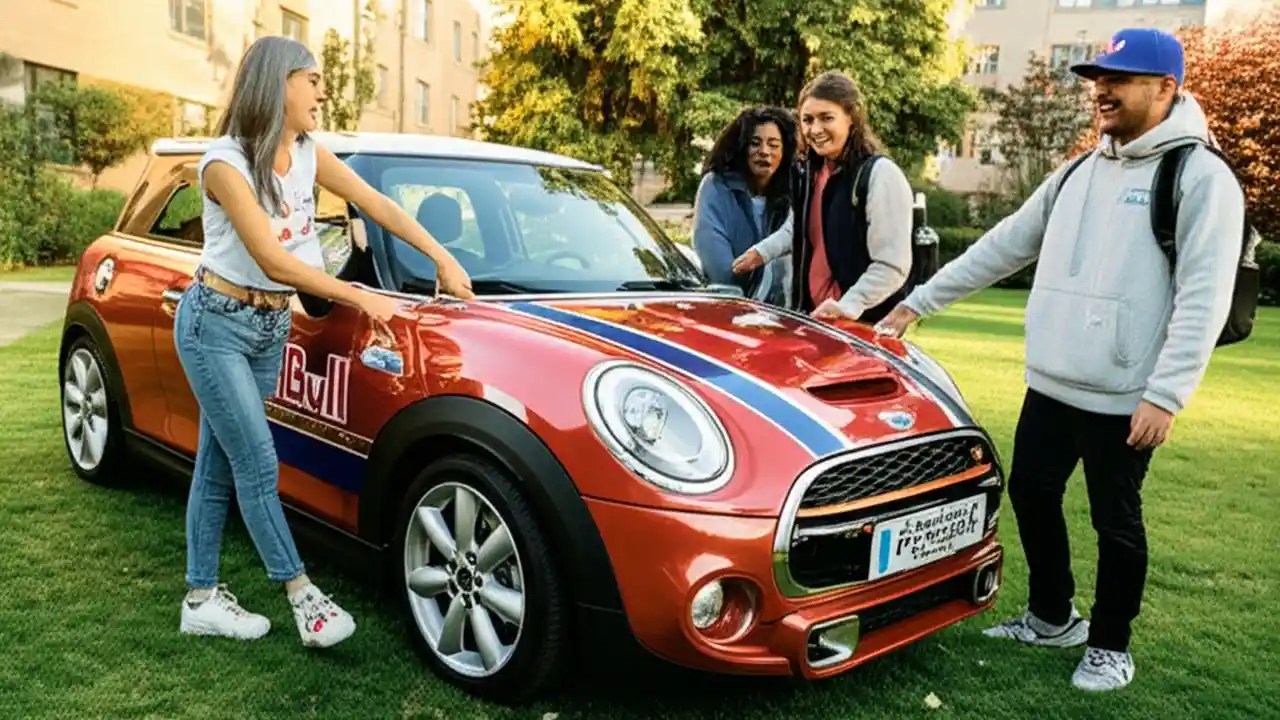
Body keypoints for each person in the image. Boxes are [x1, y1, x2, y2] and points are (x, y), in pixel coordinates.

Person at [876, 28, 1245, 692]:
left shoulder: (1199, 176)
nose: (1102, 89)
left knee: (1115, 520)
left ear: (1166, 88)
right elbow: (1005, 243)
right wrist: (918, 302)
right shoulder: (1079, 169)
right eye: (1098, 76)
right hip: (1053, 380)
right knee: (1032, 491)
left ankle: (1110, 645)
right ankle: (1052, 617)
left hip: (1125, 391)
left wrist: (1167, 392)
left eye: (1121, 77)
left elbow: (1205, 293)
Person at [174, 36, 474, 647]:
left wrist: (442, 256)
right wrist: (360, 296)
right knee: (256, 462)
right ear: (276, 83)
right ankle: (303, 597)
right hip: (215, 325)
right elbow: (271, 258)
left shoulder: (308, 152)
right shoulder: (225, 164)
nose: (322, 90)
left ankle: (200, 598)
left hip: (266, 328)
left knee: (218, 463)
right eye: (311, 79)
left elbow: (378, 204)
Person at [730, 70, 915, 324]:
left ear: (852, 118)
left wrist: (850, 304)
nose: (815, 129)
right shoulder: (810, 174)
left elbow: (892, 265)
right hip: (816, 321)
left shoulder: (880, 175)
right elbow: (800, 227)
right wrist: (761, 252)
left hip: (863, 327)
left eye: (826, 118)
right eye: (807, 120)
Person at [691, 105, 797, 305]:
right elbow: (721, 272)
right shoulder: (716, 187)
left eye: (773, 145)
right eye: (755, 143)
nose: (764, 152)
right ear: (741, 147)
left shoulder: (797, 188)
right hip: (730, 307)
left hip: (787, 312)